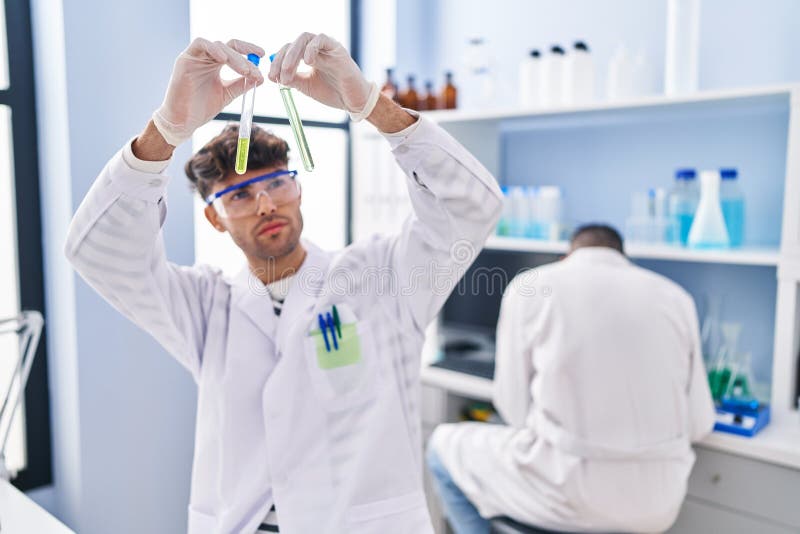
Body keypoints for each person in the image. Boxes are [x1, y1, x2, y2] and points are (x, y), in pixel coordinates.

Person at [65, 33, 502, 533]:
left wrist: (374, 109)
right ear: (215, 220)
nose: (267, 204)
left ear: (297, 188)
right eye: (240, 196)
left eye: (277, 183)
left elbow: (471, 208)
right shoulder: (204, 306)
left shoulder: (382, 279)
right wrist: (165, 130)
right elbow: (98, 252)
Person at [427, 224, 716, 534]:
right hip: (658, 505)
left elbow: (514, 411)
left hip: (566, 494)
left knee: (440, 448)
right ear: (622, 256)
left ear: (568, 255)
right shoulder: (676, 298)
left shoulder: (533, 286)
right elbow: (699, 424)